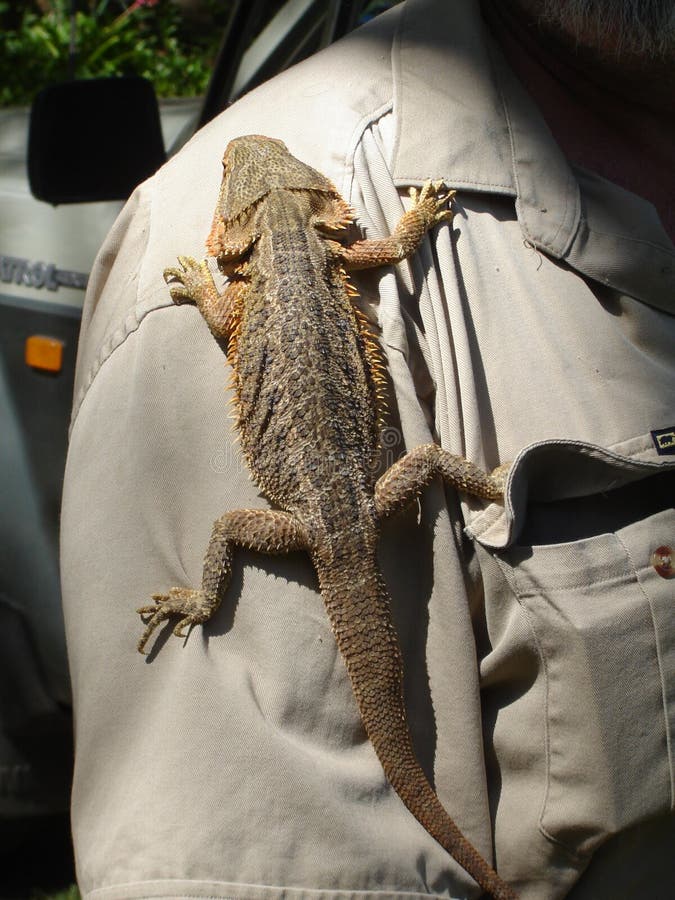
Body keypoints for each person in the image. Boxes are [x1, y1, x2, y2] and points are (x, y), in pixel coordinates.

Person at [60, 0, 675, 896]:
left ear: (234, 235)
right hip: (353, 497)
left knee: (262, 523)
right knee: (421, 489)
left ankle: (206, 591)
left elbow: (232, 323)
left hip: (314, 514)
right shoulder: (326, 247)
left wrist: (206, 291)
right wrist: (421, 226)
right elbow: (386, 251)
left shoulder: (249, 284)